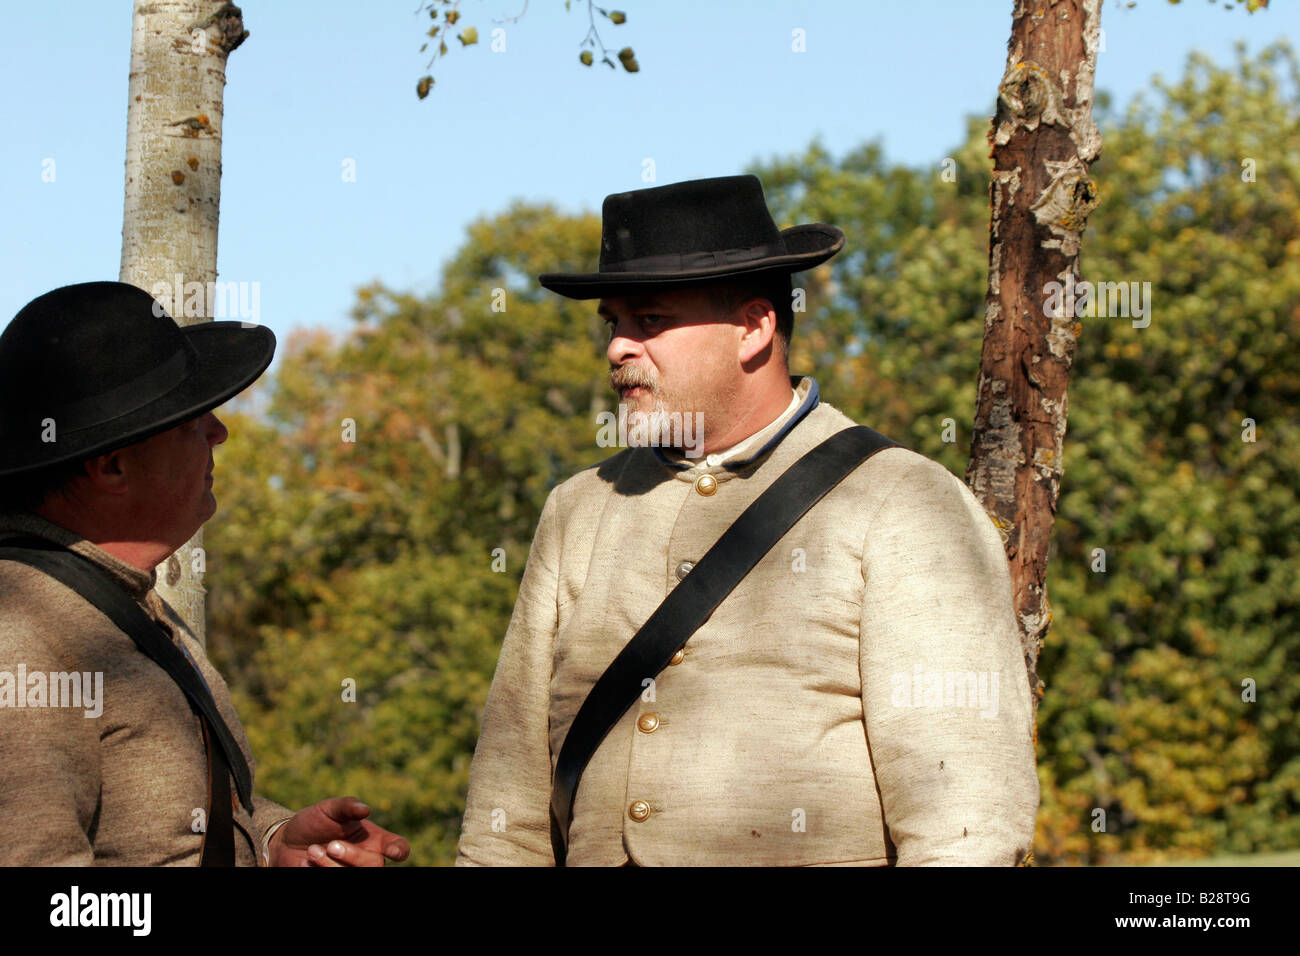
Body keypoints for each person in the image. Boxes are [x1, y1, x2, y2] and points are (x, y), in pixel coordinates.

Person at [455, 175, 1039, 866]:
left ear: (755, 328)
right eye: (613, 322)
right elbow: (508, 813)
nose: (616, 347)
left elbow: (963, 824)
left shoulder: (904, 502)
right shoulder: (576, 512)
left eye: (650, 320)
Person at [0, 281, 409, 866]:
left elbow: (159, 828)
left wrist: (272, 843)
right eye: (189, 420)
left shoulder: (117, 601)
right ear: (113, 466)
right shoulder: (21, 634)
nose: (218, 431)